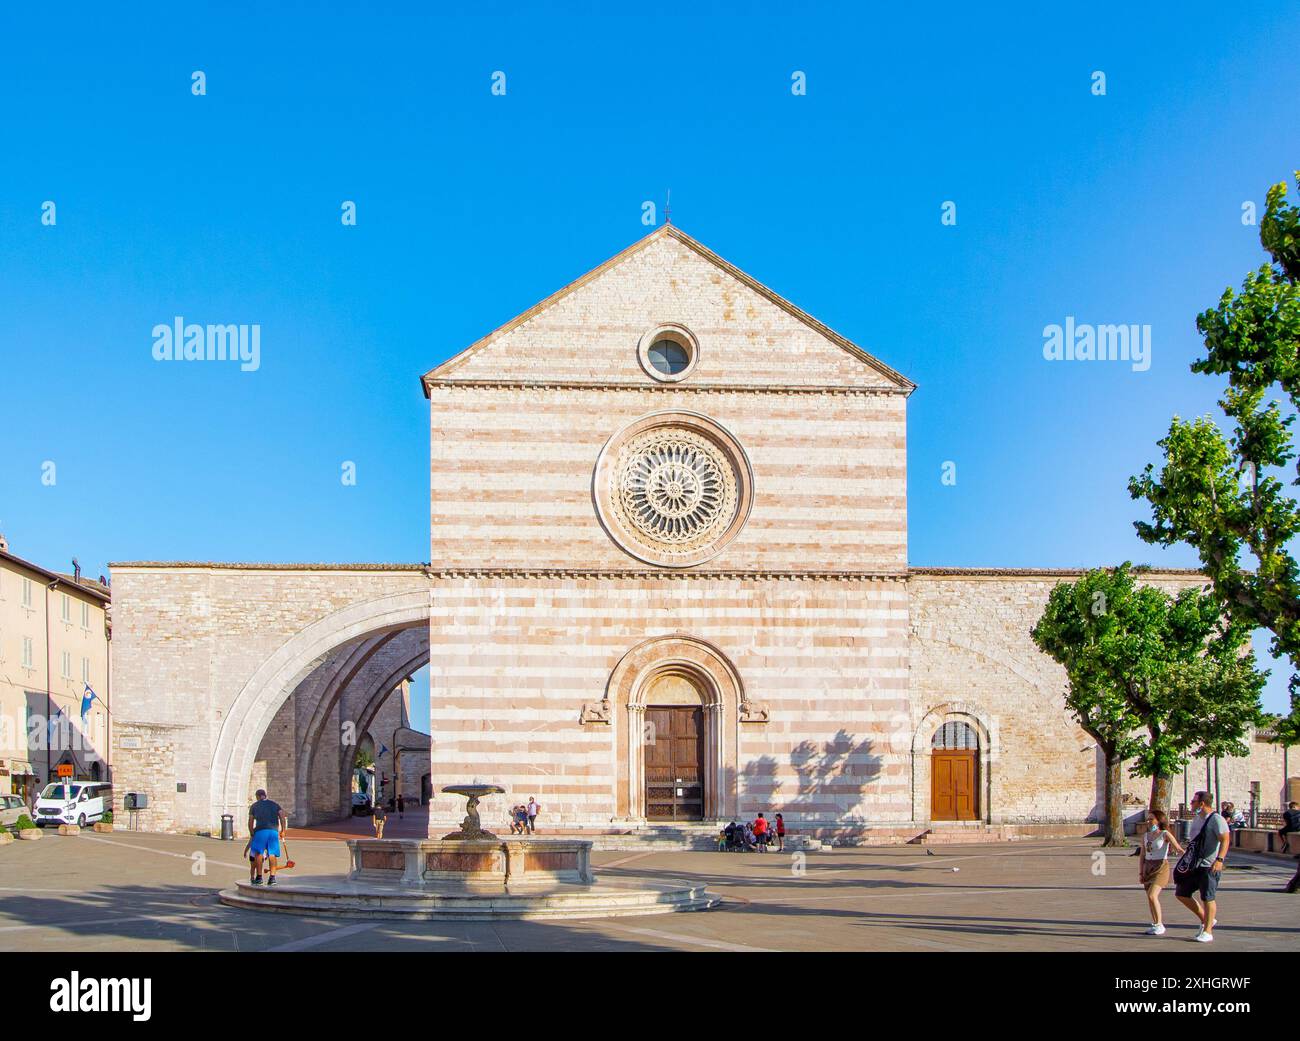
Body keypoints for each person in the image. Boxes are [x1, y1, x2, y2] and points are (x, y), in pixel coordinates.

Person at [1173, 790, 1230, 943]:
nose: (1191, 803)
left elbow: (1225, 839)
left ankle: (1208, 931)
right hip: (1193, 864)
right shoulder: (1198, 818)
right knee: (1181, 893)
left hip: (1209, 865)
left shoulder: (1216, 819)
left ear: (1202, 803)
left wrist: (1219, 860)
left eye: (1193, 801)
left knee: (1207, 897)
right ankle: (1207, 919)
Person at [1137, 809, 1184, 935]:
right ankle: (1155, 923)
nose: (1149, 821)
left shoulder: (1164, 834)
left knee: (1153, 895)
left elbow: (1177, 847)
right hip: (1148, 867)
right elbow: (1142, 855)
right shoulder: (1146, 836)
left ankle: (1159, 924)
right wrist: (1141, 872)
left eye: (1151, 819)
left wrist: (1186, 856)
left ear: (1159, 820)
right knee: (1150, 897)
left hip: (1161, 867)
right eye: (1148, 819)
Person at [247, 788, 287, 887]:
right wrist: (283, 831)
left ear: (257, 796)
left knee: (258, 853)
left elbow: (250, 820)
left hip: (260, 831)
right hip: (273, 831)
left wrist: (251, 832)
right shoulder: (275, 804)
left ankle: (259, 877)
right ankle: (272, 878)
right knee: (272, 854)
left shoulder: (254, 806)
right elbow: (282, 816)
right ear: (265, 795)